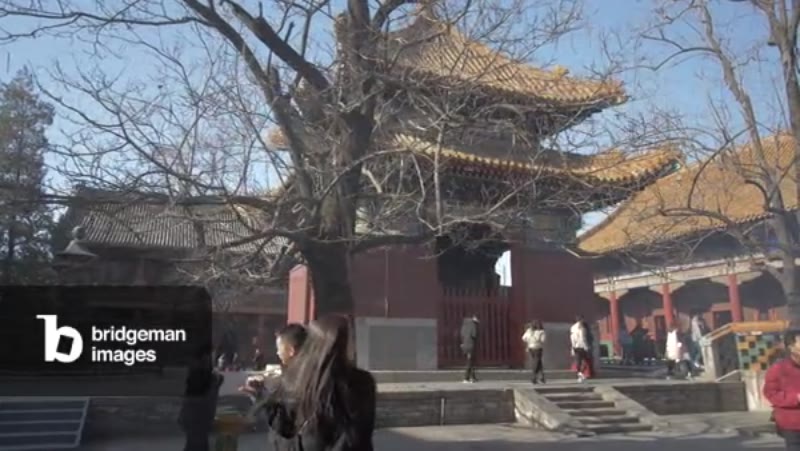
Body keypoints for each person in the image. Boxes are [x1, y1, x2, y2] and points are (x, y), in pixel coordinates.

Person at [260, 315, 377, 451]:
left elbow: (285, 428)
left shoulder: (299, 378)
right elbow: (357, 435)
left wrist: (263, 397)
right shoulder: (361, 381)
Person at [179, 345, 225, 451]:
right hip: (196, 417)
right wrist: (215, 384)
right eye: (210, 356)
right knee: (196, 444)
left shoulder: (203, 372)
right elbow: (198, 396)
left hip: (198, 418)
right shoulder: (198, 373)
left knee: (197, 444)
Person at [763, 328, 800, 451]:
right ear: (791, 347)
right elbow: (770, 393)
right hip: (792, 423)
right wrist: (796, 398)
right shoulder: (779, 369)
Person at [570, 315, 590, 383]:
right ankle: (581, 373)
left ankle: (579, 375)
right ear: (581, 319)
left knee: (578, 361)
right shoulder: (582, 328)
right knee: (586, 361)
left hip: (575, 346)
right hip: (582, 346)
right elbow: (583, 339)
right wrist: (586, 347)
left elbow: (572, 338)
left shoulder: (572, 327)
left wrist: (572, 347)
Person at [460, 315, 480, 383]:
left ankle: (473, 378)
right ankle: (466, 378)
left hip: (464, 345)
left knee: (470, 361)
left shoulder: (464, 325)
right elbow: (474, 335)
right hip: (470, 345)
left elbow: (461, 335)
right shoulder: (473, 325)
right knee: (469, 362)